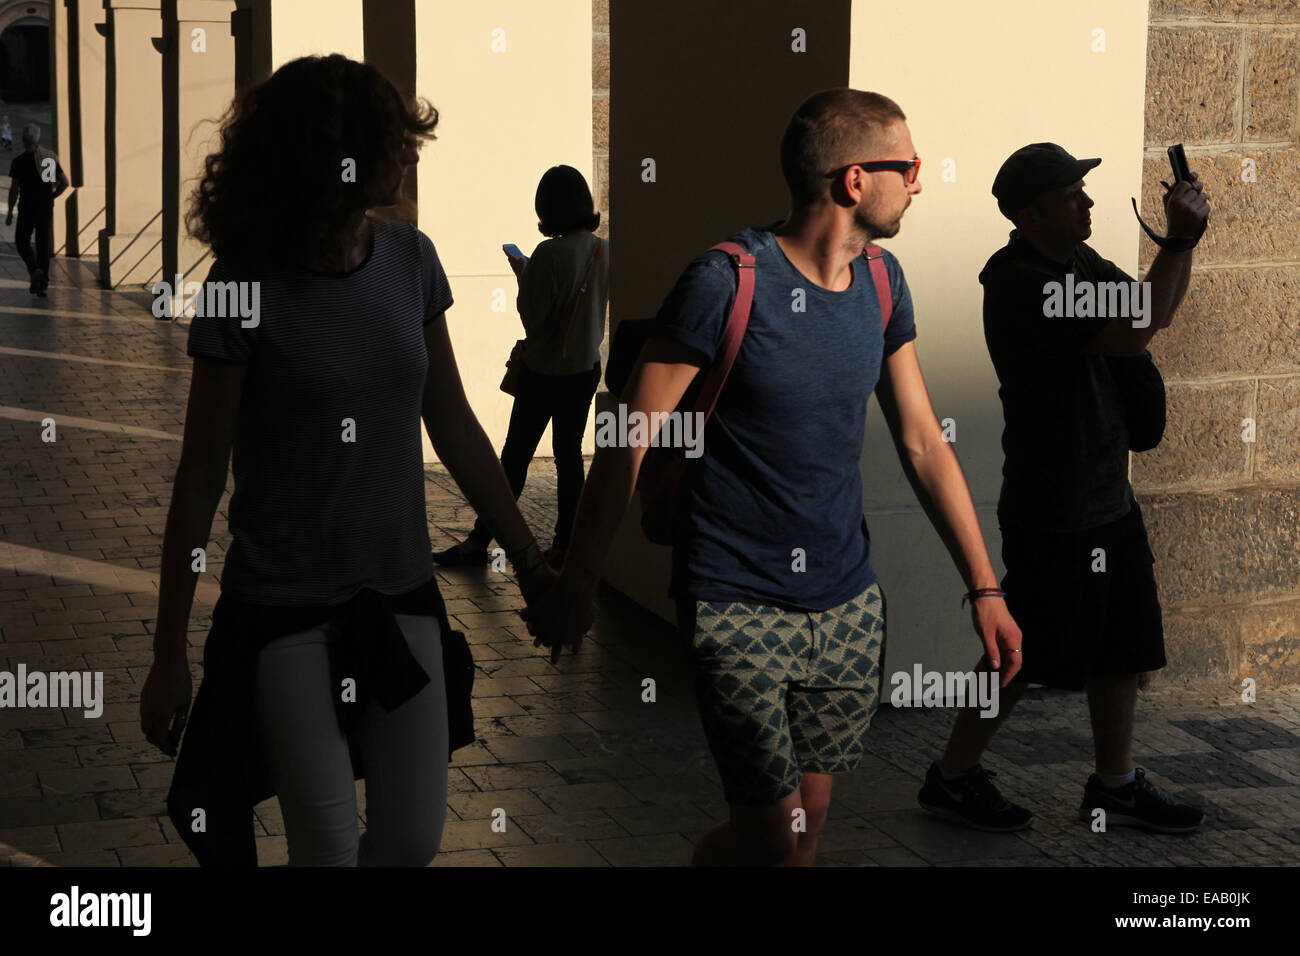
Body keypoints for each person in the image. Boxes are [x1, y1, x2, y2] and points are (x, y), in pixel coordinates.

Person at [523, 89, 1022, 866]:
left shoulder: (884, 284)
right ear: (855, 181)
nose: (920, 182)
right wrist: (579, 585)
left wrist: (985, 587)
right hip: (734, 599)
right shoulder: (726, 282)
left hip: (848, 602)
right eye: (909, 166)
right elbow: (628, 440)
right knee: (780, 840)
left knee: (804, 827)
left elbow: (924, 440)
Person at [138, 55, 556, 867]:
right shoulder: (242, 286)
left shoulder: (412, 260)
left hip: (400, 598)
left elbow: (455, 424)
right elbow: (199, 480)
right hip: (284, 611)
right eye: (393, 139)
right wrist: (167, 658)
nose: (410, 153)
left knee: (407, 842)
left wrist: (531, 560)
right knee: (326, 849)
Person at [918, 143, 1210, 834]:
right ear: (1030, 214)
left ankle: (1116, 784)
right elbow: (1133, 333)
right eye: (1072, 193)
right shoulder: (1025, 284)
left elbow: (1152, 310)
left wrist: (1184, 242)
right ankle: (952, 778)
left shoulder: (1077, 262)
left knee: (1124, 646)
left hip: (1108, 496)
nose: (1087, 202)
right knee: (1020, 652)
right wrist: (1175, 239)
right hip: (1055, 508)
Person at [435, 165, 609, 569]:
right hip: (584, 371)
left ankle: (480, 541)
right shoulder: (603, 250)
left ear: (547, 208)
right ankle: (565, 545)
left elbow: (533, 318)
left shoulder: (548, 254)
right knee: (569, 459)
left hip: (544, 373)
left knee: (514, 459)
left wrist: (522, 275)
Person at [6, 123, 69, 296]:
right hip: (45, 206)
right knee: (43, 243)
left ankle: (34, 270)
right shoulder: (48, 158)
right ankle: (43, 284)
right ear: (38, 139)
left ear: (23, 140)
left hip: (27, 207)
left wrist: (10, 212)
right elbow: (64, 182)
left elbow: (14, 190)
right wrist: (53, 196)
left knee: (22, 241)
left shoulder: (18, 162)